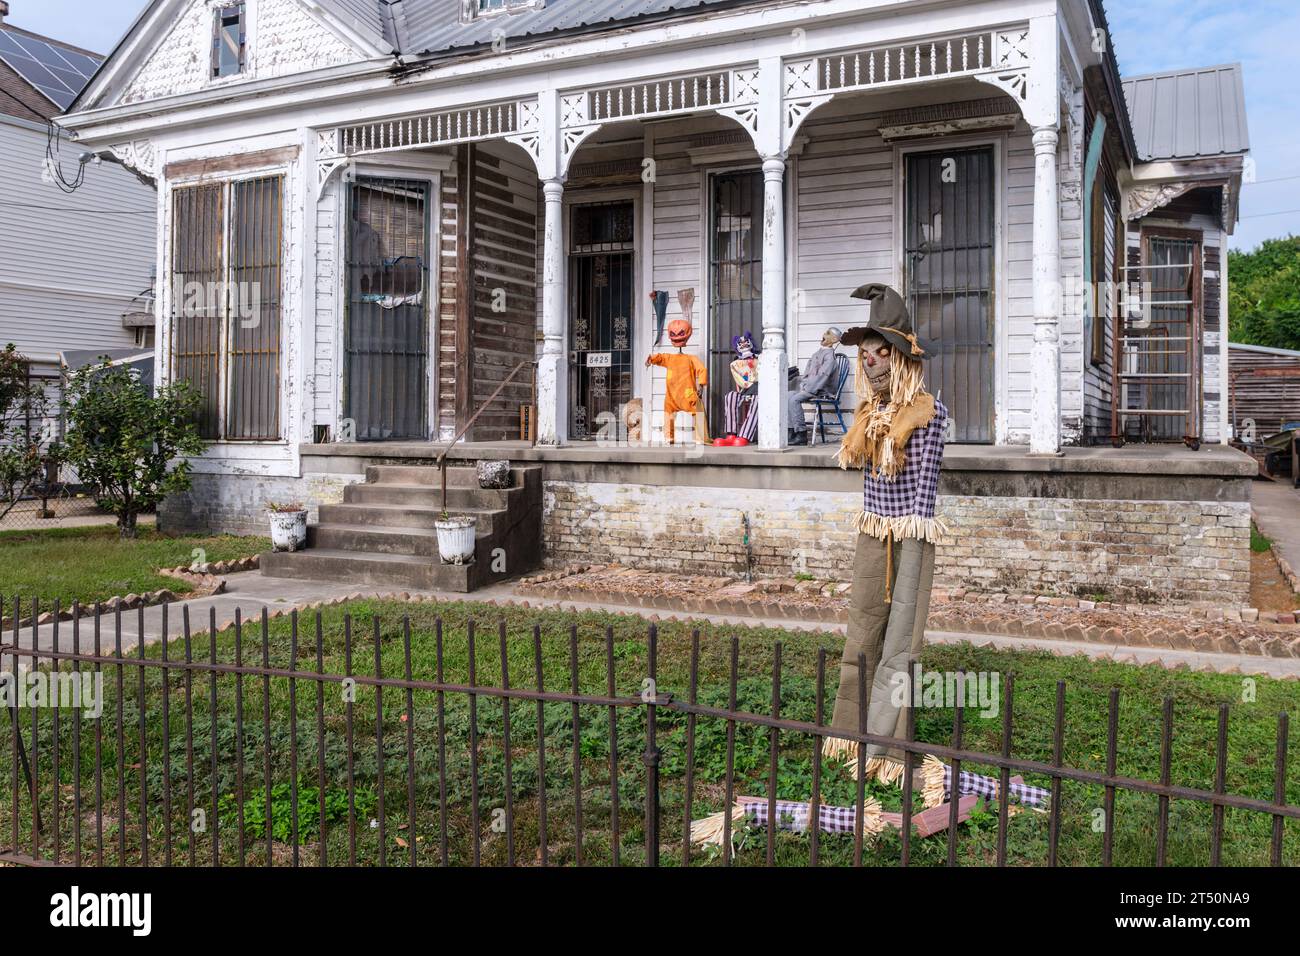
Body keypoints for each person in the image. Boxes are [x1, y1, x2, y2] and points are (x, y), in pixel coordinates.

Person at [824, 284, 947, 787]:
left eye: (882, 353)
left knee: (900, 640)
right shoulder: (867, 417)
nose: (872, 363)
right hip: (874, 530)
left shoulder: (926, 415)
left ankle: (887, 748)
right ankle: (849, 734)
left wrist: (912, 539)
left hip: (912, 532)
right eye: (865, 354)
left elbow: (924, 490)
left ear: (902, 359)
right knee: (862, 626)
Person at [787, 327, 842, 445]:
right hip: (811, 387)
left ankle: (801, 433)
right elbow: (807, 371)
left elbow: (823, 376)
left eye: (827, 333)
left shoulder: (829, 358)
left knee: (794, 400)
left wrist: (808, 388)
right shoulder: (817, 353)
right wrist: (804, 384)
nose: (823, 334)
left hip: (822, 390)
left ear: (833, 339)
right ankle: (791, 431)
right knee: (788, 395)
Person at [717, 331, 759, 446]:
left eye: (746, 342)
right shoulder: (735, 364)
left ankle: (745, 435)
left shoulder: (761, 360)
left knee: (759, 399)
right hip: (745, 390)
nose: (744, 344)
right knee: (730, 396)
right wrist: (750, 384)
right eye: (741, 343)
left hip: (760, 390)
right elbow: (740, 381)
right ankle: (731, 434)